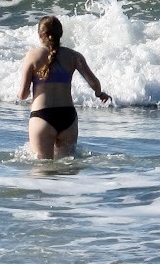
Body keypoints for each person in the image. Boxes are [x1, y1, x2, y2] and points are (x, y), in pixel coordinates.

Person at [17, 15, 110, 159]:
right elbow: (94, 82)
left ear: (41, 35)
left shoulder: (32, 56)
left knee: (42, 170)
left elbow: (23, 94)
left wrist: (20, 94)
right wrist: (99, 94)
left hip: (42, 117)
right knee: (66, 170)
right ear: (60, 34)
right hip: (68, 118)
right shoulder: (73, 56)